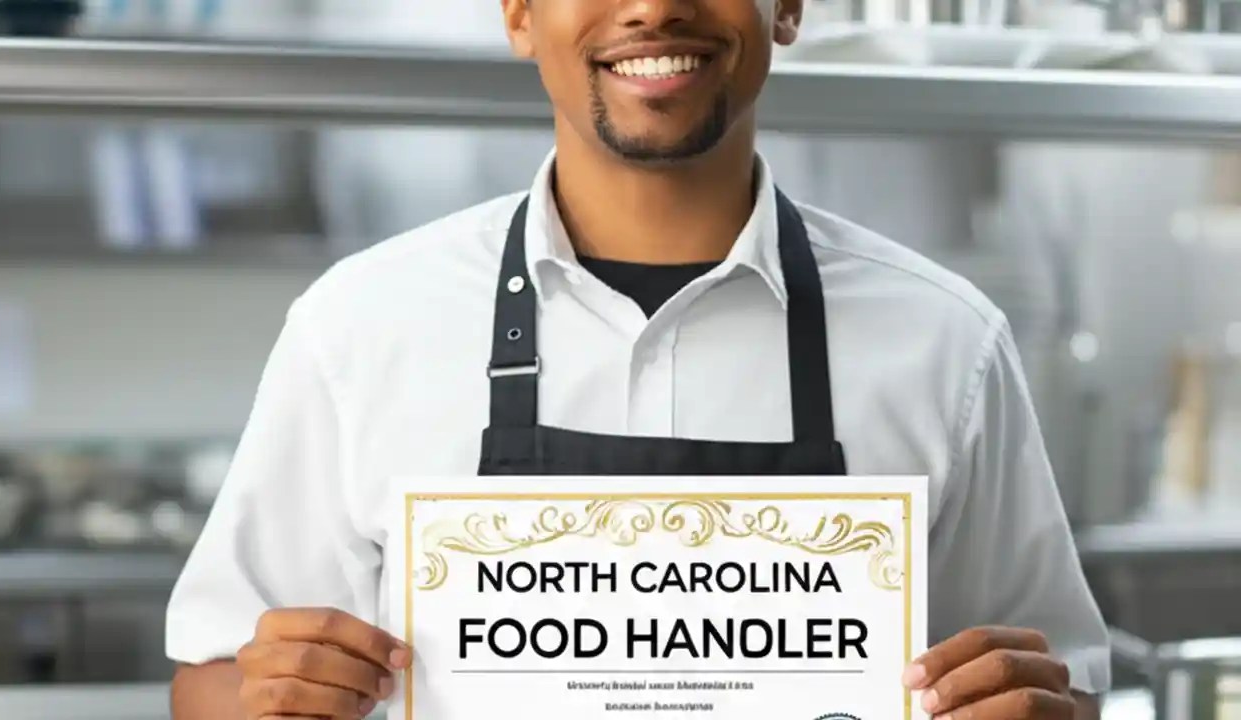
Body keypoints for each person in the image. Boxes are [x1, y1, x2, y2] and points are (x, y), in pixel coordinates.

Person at [166, 1, 1111, 718]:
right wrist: (263, 696)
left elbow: (1059, 681)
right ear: (518, 11)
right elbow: (209, 675)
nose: (653, 4)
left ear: (786, 7)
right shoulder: (360, 324)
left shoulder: (949, 343)